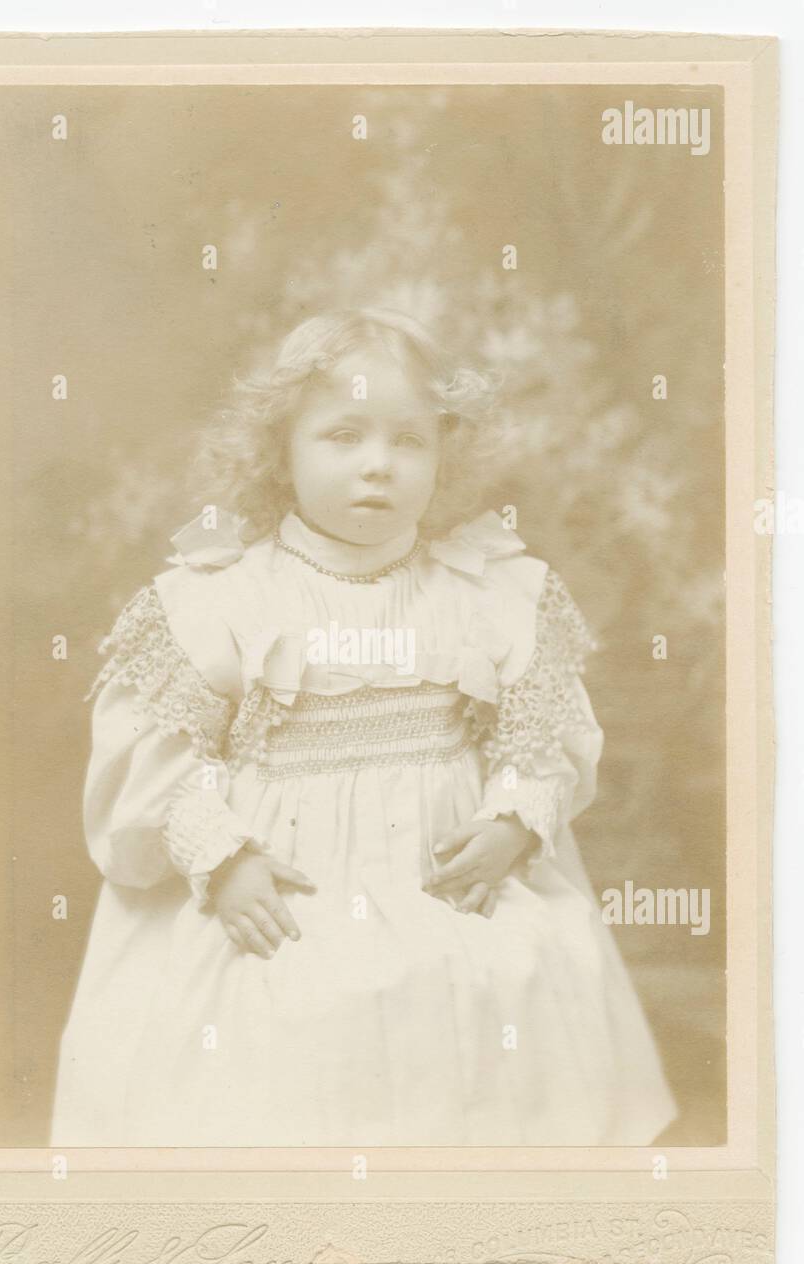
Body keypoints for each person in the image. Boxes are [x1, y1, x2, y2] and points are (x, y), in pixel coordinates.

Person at [50, 307, 678, 1147]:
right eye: (342, 436)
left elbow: (541, 731)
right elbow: (161, 768)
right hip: (281, 887)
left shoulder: (487, 590)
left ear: (444, 453)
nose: (378, 466)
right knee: (284, 1036)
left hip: (449, 876)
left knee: (493, 1000)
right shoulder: (219, 599)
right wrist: (224, 858)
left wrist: (514, 819)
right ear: (282, 451)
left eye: (409, 441)